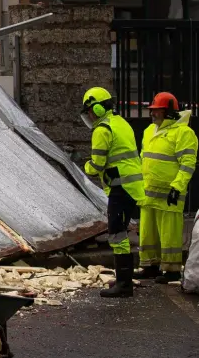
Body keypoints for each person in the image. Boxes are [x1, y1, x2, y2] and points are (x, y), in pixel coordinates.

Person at [80, 87, 144, 298]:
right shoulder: (120, 123)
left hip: (121, 187)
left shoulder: (102, 130)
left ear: (98, 109)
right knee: (120, 230)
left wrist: (85, 166)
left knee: (117, 233)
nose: (90, 115)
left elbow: (97, 165)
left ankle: (124, 284)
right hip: (131, 186)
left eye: (90, 110)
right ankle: (123, 278)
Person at [137, 92, 196, 284]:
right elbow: (143, 159)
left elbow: (188, 164)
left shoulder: (183, 133)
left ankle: (171, 270)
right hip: (148, 193)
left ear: (168, 112)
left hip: (170, 194)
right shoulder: (149, 131)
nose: (152, 114)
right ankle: (150, 266)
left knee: (169, 234)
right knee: (148, 233)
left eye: (157, 110)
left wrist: (177, 187)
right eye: (152, 110)